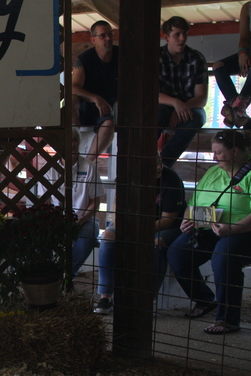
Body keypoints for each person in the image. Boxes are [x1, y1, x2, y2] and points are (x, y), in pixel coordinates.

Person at [167, 130, 251, 334]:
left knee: (223, 258)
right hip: (208, 227)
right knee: (177, 253)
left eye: (219, 153)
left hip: (242, 231)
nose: (214, 157)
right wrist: (187, 219)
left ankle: (227, 320)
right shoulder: (214, 172)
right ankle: (204, 299)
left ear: (235, 151)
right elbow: (194, 201)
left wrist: (233, 228)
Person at [94, 153, 186, 314]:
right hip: (132, 224)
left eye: (159, 162)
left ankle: (147, 298)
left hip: (164, 227)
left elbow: (168, 220)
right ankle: (105, 296)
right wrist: (125, 230)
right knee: (107, 238)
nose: (158, 167)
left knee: (156, 244)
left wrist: (137, 232)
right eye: (153, 164)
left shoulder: (171, 179)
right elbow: (117, 212)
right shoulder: (127, 177)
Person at [36, 127, 105, 277]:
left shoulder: (89, 167)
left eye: (75, 140)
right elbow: (45, 202)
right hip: (57, 219)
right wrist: (55, 221)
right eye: (68, 140)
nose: (73, 144)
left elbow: (95, 202)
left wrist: (82, 219)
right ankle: (48, 273)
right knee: (39, 235)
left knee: (88, 235)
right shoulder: (48, 168)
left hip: (85, 220)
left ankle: (67, 274)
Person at [158, 16, 208, 169]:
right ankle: (144, 158)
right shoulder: (156, 57)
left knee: (197, 118)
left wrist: (181, 107)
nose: (182, 38)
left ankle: (163, 163)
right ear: (166, 37)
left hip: (190, 106)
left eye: (185, 33)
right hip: (164, 104)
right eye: (177, 34)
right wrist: (175, 103)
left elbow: (201, 98)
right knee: (153, 114)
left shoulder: (196, 58)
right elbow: (150, 94)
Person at [72, 20, 119, 162]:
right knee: (71, 100)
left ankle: (88, 163)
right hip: (87, 106)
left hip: (110, 108)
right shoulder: (84, 60)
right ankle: (73, 145)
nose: (108, 39)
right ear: (93, 40)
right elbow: (73, 87)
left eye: (110, 34)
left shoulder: (121, 56)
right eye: (103, 36)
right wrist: (96, 98)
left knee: (109, 124)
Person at [214, 2, 251, 128]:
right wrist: (243, 54)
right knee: (218, 66)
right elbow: (244, 39)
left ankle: (237, 110)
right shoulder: (247, 7)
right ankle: (237, 109)